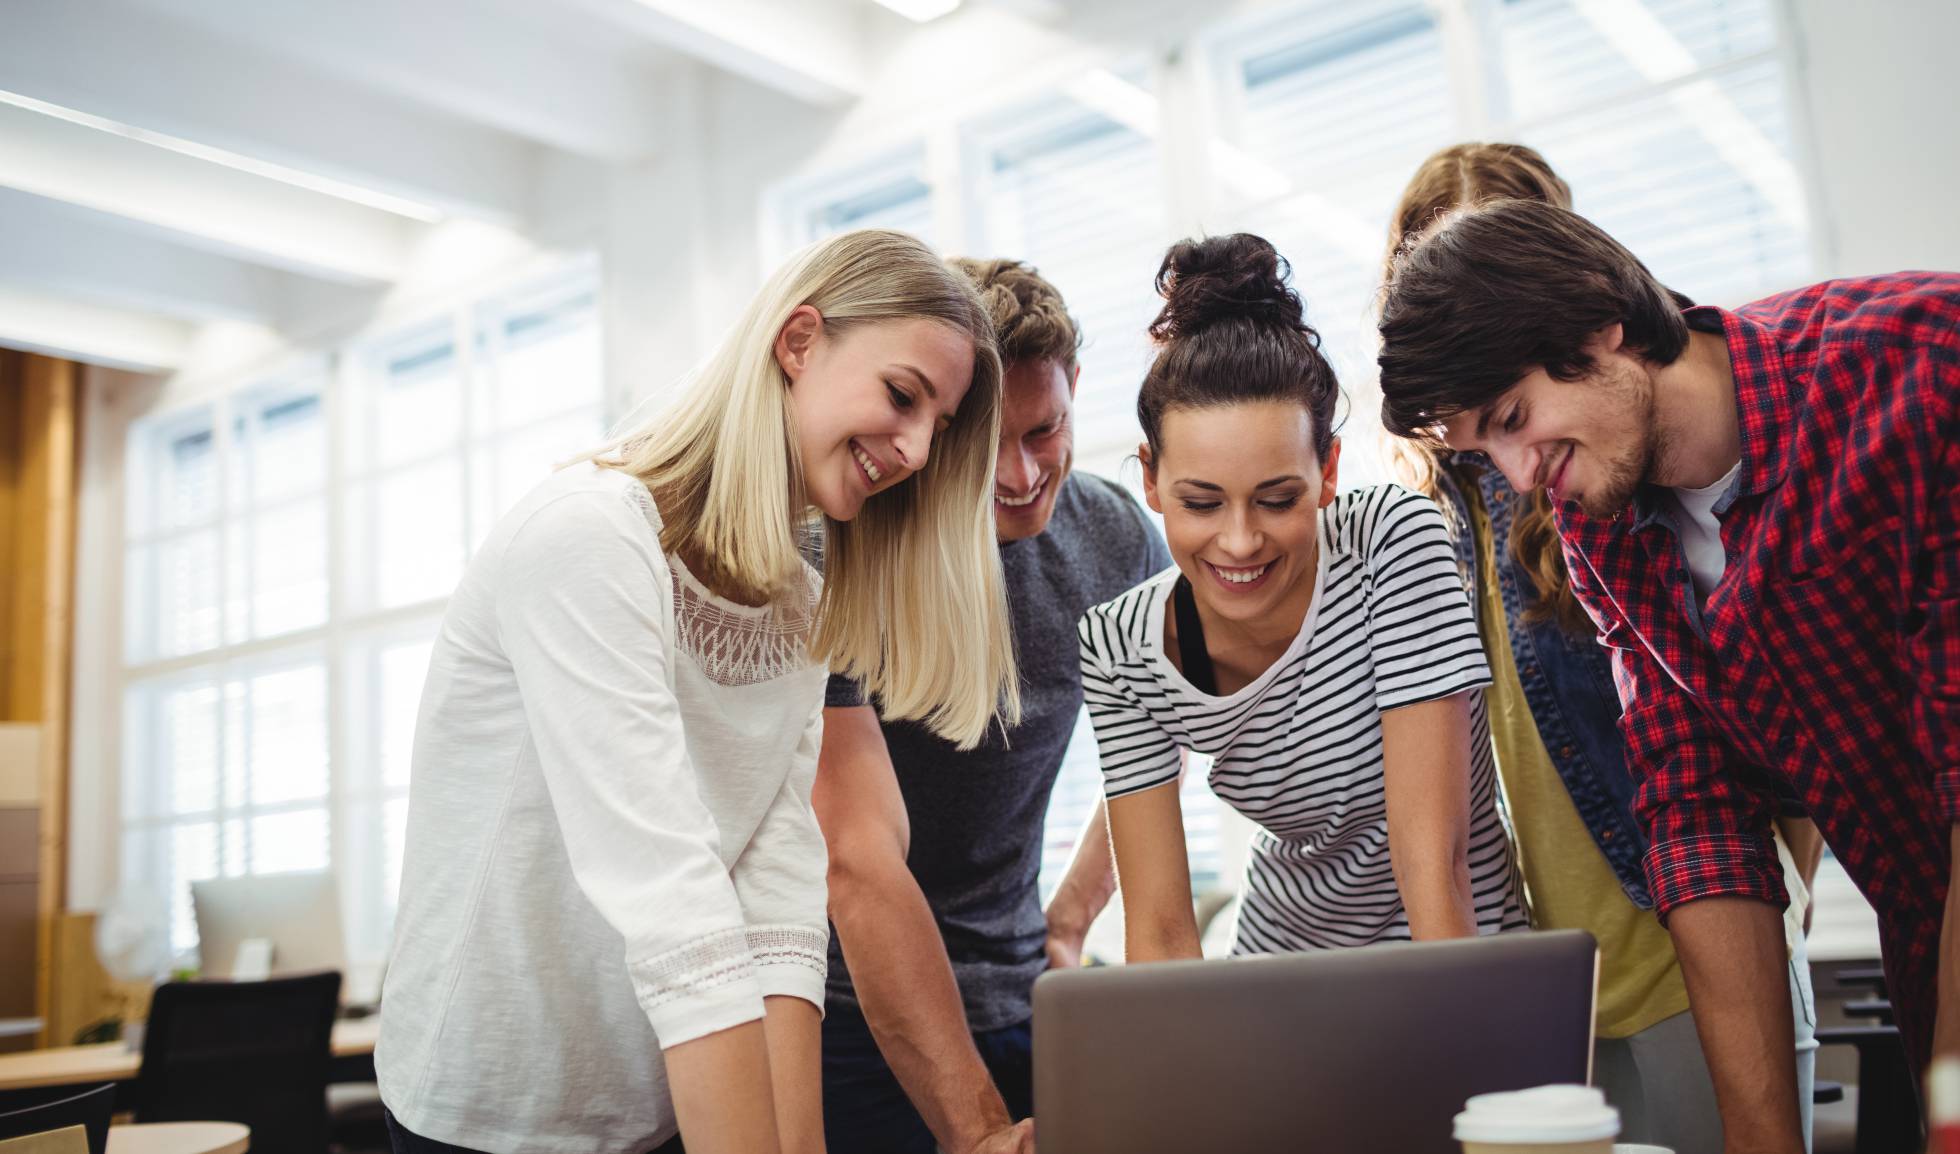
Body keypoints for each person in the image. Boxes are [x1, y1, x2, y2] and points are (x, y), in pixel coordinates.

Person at [376, 229, 1021, 1154]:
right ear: (798, 342)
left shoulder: (800, 600)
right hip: (494, 1104)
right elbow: (672, 897)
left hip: (655, 1102)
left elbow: (779, 898)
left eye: (940, 426)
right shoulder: (588, 540)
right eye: (903, 396)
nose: (917, 449)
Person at [1377, 198, 1960, 1151]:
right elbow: (1698, 816)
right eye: (1487, 446)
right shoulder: (1599, 529)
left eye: (1516, 418)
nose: (1522, 476)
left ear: (1599, 322)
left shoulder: (1919, 370)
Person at [1080, 233, 1526, 970]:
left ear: (1327, 471)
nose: (1240, 541)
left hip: (1457, 956)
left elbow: (1434, 863)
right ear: (1152, 481)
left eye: (1277, 499)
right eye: (1200, 503)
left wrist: (1464, 1045)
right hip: (1281, 968)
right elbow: (1160, 930)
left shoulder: (1392, 540)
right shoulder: (1121, 647)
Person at [816, 258, 1170, 1154]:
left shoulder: (1115, 535)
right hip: (850, 1011)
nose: (1019, 474)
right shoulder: (844, 551)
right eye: (987, 446)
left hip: (1025, 994)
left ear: (1077, 392)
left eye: (1045, 430)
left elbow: (1166, 736)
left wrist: (1071, 918)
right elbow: (854, 862)